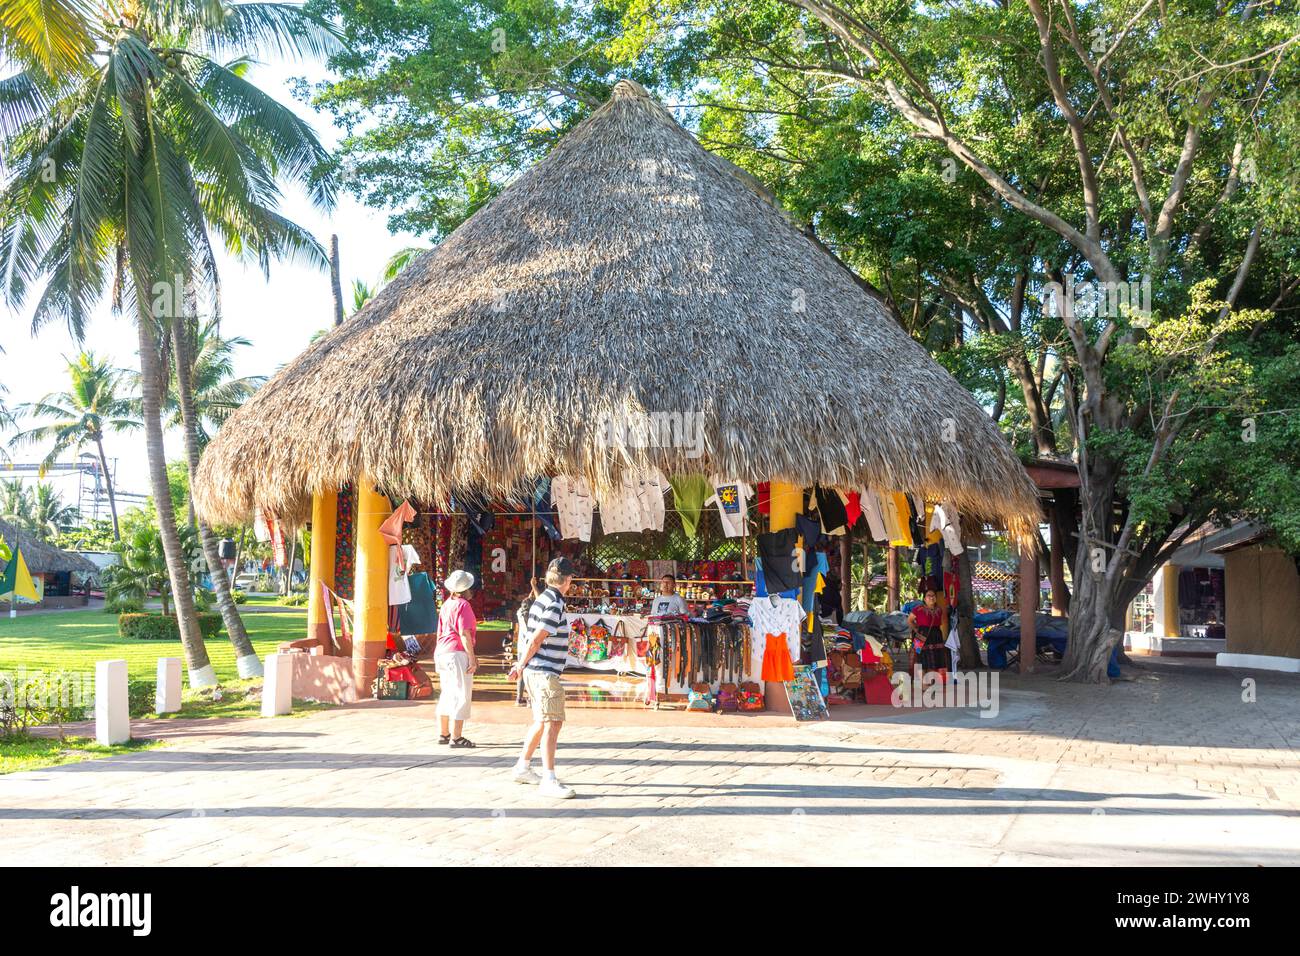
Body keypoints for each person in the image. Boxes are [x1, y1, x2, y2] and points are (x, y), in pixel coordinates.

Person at [509, 557, 578, 798]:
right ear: (568, 580)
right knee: (552, 723)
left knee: (541, 721)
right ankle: (549, 778)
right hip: (544, 671)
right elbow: (538, 638)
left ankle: (523, 767)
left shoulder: (542, 599)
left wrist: (521, 665)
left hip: (536, 669)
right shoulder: (555, 602)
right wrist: (520, 664)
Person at [435, 570, 479, 748]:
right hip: (457, 653)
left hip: (443, 652)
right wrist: (472, 658)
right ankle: (457, 736)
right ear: (466, 589)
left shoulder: (447, 604)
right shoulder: (463, 605)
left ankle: (444, 733)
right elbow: (464, 633)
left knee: (447, 693)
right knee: (462, 693)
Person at [513, 577, 544, 706]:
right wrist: (534, 587)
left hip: (522, 648)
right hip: (532, 647)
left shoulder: (519, 613)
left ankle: (518, 698)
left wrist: (532, 588)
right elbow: (541, 601)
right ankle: (531, 699)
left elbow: (529, 601)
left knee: (521, 672)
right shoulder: (535, 616)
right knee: (532, 673)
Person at [907, 587, 948, 675]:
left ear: (936, 598)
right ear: (925, 599)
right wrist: (916, 629)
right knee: (919, 659)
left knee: (933, 660)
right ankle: (923, 683)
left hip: (936, 635)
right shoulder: (917, 609)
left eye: (933, 596)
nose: (931, 597)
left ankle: (929, 681)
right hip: (920, 635)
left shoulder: (939, 610)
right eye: (929, 596)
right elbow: (909, 620)